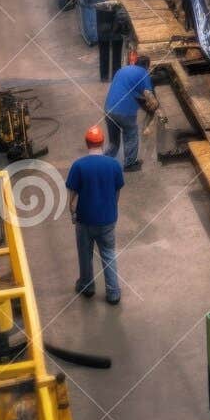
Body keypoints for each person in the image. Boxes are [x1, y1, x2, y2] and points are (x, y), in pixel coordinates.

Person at [67, 124, 125, 304]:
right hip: (107, 220)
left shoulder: (78, 166)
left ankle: (87, 286)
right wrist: (112, 208)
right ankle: (113, 293)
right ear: (102, 142)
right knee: (108, 254)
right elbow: (117, 192)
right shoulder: (114, 165)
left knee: (85, 253)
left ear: (86, 143)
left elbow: (73, 196)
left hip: (85, 220)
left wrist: (72, 211)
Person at [102, 54, 165, 172]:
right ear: (147, 65)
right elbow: (148, 95)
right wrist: (156, 107)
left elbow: (128, 89)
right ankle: (130, 164)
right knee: (131, 133)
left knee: (114, 142)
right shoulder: (144, 73)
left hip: (109, 109)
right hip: (124, 112)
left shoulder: (122, 70)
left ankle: (103, 162)